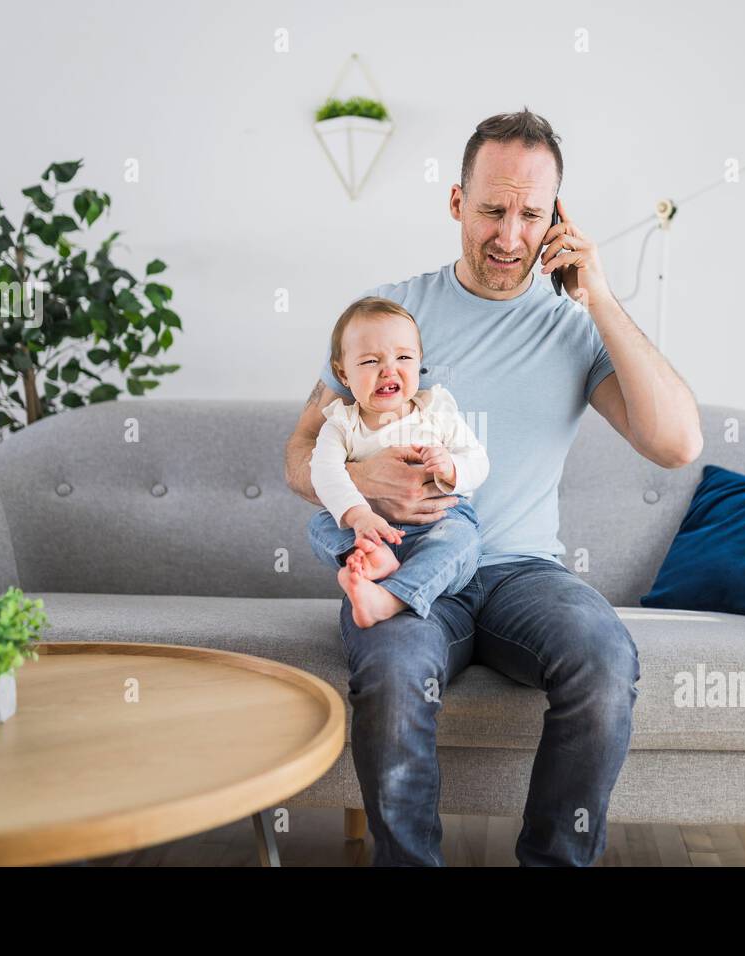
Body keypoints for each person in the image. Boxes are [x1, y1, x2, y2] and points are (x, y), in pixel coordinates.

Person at [283, 107, 703, 866]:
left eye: (531, 214)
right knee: (393, 666)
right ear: (456, 203)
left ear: (556, 220)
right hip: (408, 566)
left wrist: (599, 296)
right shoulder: (389, 317)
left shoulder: (575, 328)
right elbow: (299, 456)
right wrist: (359, 479)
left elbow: (677, 444)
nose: (509, 236)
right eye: (491, 210)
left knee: (604, 659)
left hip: (521, 575)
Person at [307, 296, 489, 629]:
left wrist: (450, 467)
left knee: (464, 540)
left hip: (439, 523)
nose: (389, 369)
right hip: (371, 528)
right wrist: (358, 514)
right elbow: (323, 471)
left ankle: (391, 597)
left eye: (403, 357)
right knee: (319, 523)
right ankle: (376, 558)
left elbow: (478, 460)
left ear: (419, 362)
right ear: (342, 373)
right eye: (370, 361)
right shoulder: (341, 424)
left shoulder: (435, 411)